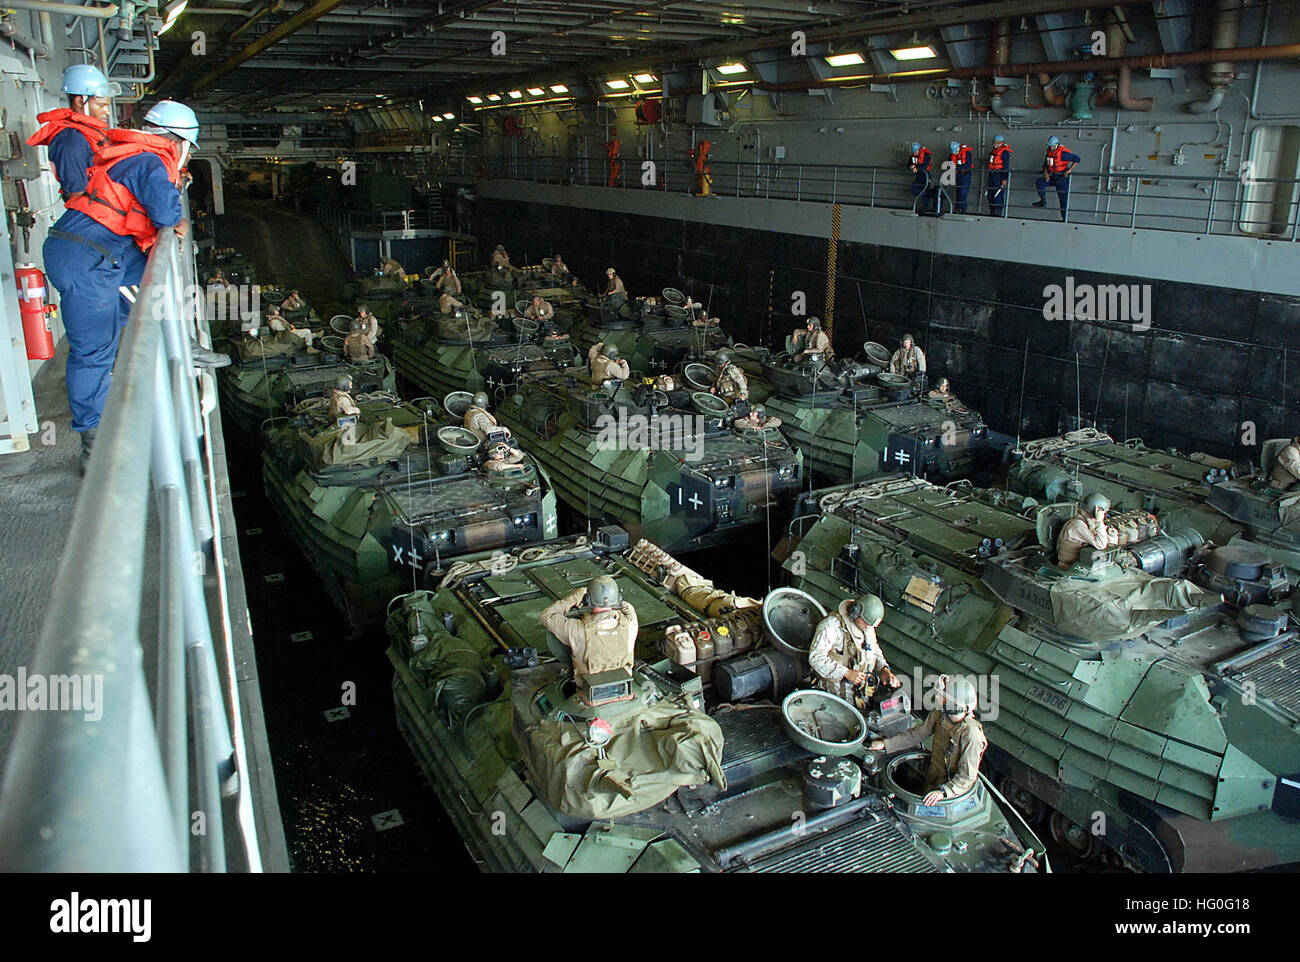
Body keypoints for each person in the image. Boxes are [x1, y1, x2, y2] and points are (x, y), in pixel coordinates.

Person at [46, 98, 226, 474]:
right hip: (85, 261)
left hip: (101, 253)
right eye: (187, 152)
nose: (186, 159)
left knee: (154, 275)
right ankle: (93, 446)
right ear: (177, 142)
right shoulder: (148, 160)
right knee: (92, 352)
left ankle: (180, 341)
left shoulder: (135, 154)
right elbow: (165, 213)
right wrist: (176, 218)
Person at [869, 676, 987, 807]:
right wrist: (887, 744)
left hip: (951, 795)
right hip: (933, 776)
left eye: (942, 696)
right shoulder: (940, 713)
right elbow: (918, 734)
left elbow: (967, 777)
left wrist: (944, 792)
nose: (937, 698)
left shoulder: (971, 735)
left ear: (953, 704)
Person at [26, 65, 112, 201]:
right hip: (92, 215)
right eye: (101, 105)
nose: (107, 111)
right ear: (79, 101)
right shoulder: (71, 140)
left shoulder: (85, 134)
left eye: (108, 105)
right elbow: (76, 196)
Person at [539, 575, 638, 687]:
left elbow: (547, 616)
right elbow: (628, 608)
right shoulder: (630, 624)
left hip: (585, 689)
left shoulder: (577, 629)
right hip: (623, 685)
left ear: (587, 600)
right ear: (618, 599)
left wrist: (575, 597)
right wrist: (609, 598)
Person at [808, 594, 901, 706]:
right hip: (834, 696)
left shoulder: (867, 628)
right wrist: (846, 673)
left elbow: (874, 649)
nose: (868, 627)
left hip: (860, 696)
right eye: (866, 622)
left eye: (871, 625)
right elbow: (815, 658)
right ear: (855, 612)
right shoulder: (832, 626)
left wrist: (884, 669)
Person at [1056, 492, 1111, 567]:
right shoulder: (1078, 525)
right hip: (1068, 567)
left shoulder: (1086, 521)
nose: (1103, 515)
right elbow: (1101, 544)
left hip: (1076, 565)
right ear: (1096, 511)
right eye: (1103, 513)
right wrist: (1099, 521)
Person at [1033, 136, 1080, 221]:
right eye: (1050, 146)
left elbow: (1077, 159)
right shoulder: (1048, 154)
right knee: (1040, 182)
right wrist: (1045, 173)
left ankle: (1064, 218)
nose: (1051, 148)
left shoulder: (1063, 154)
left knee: (1063, 199)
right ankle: (1042, 201)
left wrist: (1069, 171)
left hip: (1062, 179)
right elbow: (1045, 165)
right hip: (1052, 177)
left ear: (1057, 145)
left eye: (1053, 146)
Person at [986, 134, 1012, 217]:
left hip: (999, 175)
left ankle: (998, 212)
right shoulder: (992, 153)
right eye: (995, 142)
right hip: (992, 175)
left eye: (998, 142)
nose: (996, 144)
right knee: (990, 194)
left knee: (998, 194)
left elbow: (1005, 166)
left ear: (1002, 143)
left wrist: (1004, 179)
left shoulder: (1004, 153)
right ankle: (992, 211)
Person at [948, 141, 973, 214]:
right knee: (958, 191)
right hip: (957, 175)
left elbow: (968, 165)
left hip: (965, 175)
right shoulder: (952, 155)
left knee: (963, 192)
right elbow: (948, 163)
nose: (955, 153)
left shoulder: (967, 154)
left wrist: (957, 167)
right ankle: (958, 208)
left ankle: (962, 209)